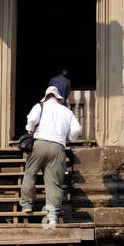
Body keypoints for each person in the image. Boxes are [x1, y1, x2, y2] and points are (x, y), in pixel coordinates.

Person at [20, 85, 82, 213]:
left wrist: (30, 129)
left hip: (40, 144)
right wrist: (69, 137)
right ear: (58, 98)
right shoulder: (67, 111)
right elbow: (77, 129)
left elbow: (31, 119)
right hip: (58, 147)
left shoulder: (39, 106)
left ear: (46, 97)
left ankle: (27, 205)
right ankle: (52, 210)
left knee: (30, 174)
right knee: (54, 181)